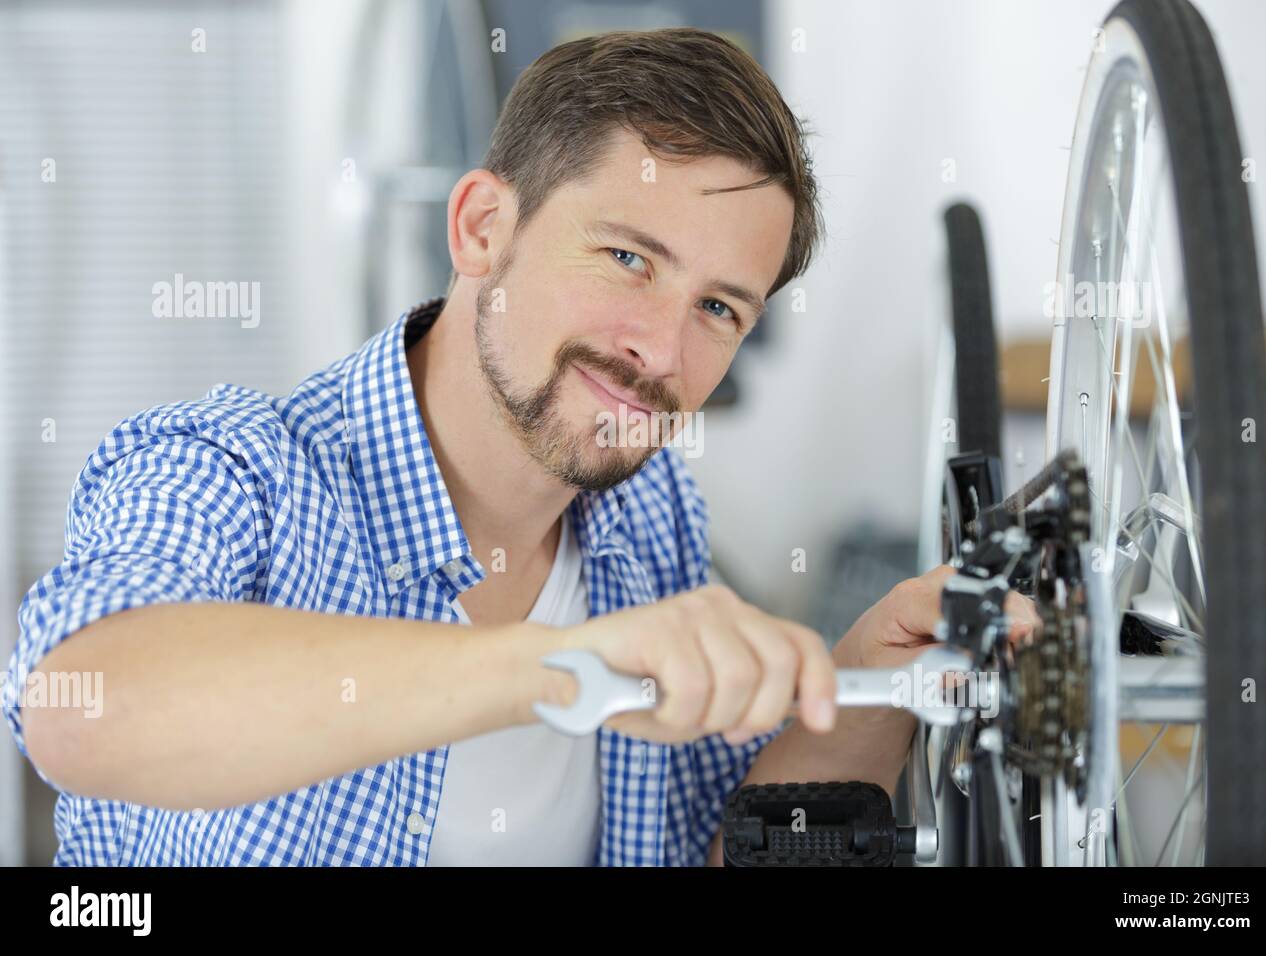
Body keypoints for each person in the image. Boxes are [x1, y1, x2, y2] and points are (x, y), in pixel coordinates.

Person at [4, 27, 1035, 866]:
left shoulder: (647, 516)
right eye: (628, 257)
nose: (659, 350)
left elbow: (709, 853)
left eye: (719, 307)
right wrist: (554, 666)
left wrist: (874, 669)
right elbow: (77, 706)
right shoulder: (231, 465)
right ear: (482, 227)